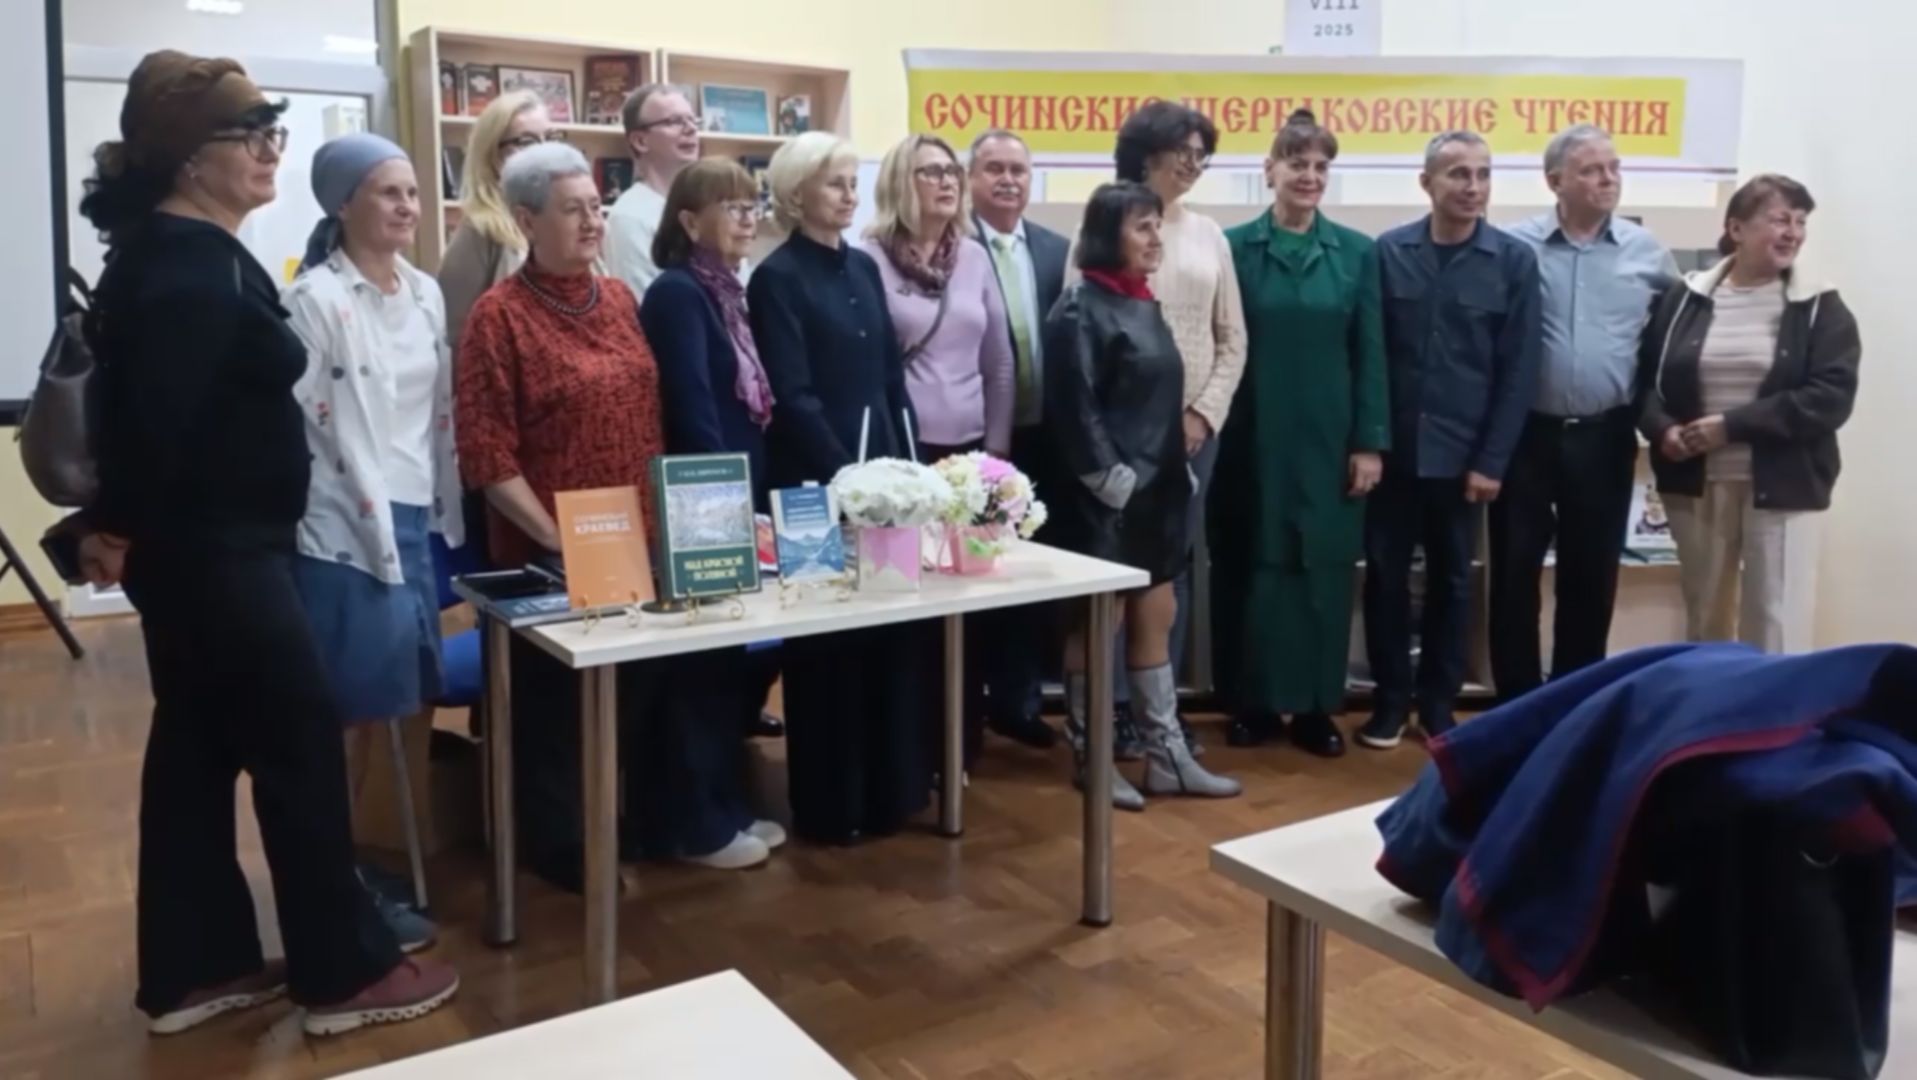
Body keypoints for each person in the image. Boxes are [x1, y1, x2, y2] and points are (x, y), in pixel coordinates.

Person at [76, 49, 457, 1037]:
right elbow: (155, 428)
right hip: (218, 555)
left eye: (271, 131)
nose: (267, 149)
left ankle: (195, 971)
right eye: (245, 134)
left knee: (196, 752)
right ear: (185, 156)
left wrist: (120, 528)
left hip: (207, 551)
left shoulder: (184, 251)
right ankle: (341, 976)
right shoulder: (187, 268)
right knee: (298, 748)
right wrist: (109, 529)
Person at [456, 142, 778, 879]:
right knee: (559, 709)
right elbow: (486, 455)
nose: (591, 222)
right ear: (526, 220)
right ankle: (560, 848)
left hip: (641, 538)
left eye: (596, 208)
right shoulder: (497, 318)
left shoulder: (620, 300)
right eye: (571, 210)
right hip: (551, 553)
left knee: (640, 692)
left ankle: (633, 822)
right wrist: (556, 540)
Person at [282, 133, 465, 954]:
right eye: (388, 192)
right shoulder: (314, 298)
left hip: (417, 513)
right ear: (342, 202)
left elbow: (435, 413)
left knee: (402, 696)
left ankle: (381, 854)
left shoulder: (424, 292)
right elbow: (298, 427)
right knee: (351, 707)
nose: (407, 207)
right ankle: (339, 872)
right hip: (344, 525)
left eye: (413, 192)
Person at [748, 132, 928, 844]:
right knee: (826, 651)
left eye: (853, 182)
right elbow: (792, 395)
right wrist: (847, 478)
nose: (850, 195)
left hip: (883, 485)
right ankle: (831, 807)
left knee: (891, 635)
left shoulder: (862, 266)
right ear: (797, 194)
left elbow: (890, 376)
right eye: (834, 184)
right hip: (811, 490)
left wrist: (907, 467)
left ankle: (892, 793)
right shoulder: (777, 277)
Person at [1047, 181, 1242, 810]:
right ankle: (1094, 758)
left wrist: (1174, 474)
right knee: (1098, 623)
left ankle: (1166, 758)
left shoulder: (1144, 302)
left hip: (1159, 494)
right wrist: (1113, 480)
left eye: (1158, 226)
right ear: (1110, 236)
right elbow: (1075, 408)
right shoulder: (1079, 308)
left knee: (1158, 614)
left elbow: (1156, 404)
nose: (1157, 238)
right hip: (1105, 501)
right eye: (1143, 228)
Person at [1211, 110, 1388, 758]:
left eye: (1319, 166)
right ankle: (1251, 703)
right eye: (1296, 164)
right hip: (1249, 440)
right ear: (1269, 171)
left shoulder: (1357, 253)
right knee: (1251, 565)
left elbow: (1371, 352)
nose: (1309, 176)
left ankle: (1315, 707)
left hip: (1328, 444)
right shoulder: (1231, 248)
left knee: (1323, 573)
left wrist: (1369, 441)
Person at [1076, 102, 1248, 758]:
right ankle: (1110, 714)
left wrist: (1202, 414)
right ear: (1147, 152)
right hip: (1121, 443)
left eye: (1203, 154)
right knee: (1114, 576)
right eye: (1184, 150)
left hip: (1194, 436)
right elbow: (1080, 338)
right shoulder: (1106, 220)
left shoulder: (1208, 234)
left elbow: (1232, 338)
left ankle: (1161, 720)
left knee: (1169, 573)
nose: (1194, 163)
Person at [1360, 131, 1542, 751]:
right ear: (1427, 183)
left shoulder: (1513, 262)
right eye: (1459, 174)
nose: (1473, 187)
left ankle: (1438, 705)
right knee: (1385, 578)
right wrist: (1370, 441)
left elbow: (1518, 371)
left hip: (1466, 460)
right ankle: (1389, 703)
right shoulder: (1389, 253)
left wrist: (1492, 460)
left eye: (1483, 174)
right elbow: (1371, 355)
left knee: (1453, 583)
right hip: (1395, 455)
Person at [1638, 174, 1860, 653]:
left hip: (1784, 487)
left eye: (1800, 222)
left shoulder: (1820, 306)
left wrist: (1731, 427)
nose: (1792, 233)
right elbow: (1647, 384)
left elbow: (1830, 397)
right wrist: (1663, 430)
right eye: (1780, 220)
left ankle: (1776, 706)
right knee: (1706, 619)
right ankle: (1712, 703)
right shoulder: (1685, 298)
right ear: (1736, 229)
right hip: (1696, 485)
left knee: (1775, 621)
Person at [1494, 125, 1679, 700]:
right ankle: (1517, 700)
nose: (1608, 180)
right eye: (1592, 170)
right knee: (1514, 570)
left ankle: (1574, 698)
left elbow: (1677, 340)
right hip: (1525, 435)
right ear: (1556, 181)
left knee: (1592, 573)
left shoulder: (1648, 253)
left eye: (1614, 168)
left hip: (1605, 435)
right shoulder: (1513, 247)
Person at [967, 128, 1070, 752]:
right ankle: (966, 710)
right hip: (977, 440)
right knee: (975, 576)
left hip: (1045, 439)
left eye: (1019, 170)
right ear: (971, 178)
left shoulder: (1058, 250)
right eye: (994, 168)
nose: (1008, 180)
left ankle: (1019, 701)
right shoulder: (955, 246)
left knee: (1032, 580)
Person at [862, 134, 1013, 461]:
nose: (947, 182)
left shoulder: (975, 256)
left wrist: (997, 447)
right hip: (900, 442)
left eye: (952, 171)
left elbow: (999, 362)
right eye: (932, 172)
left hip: (972, 446)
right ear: (901, 183)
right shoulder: (868, 260)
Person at [438, 90, 559, 351]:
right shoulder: (480, 229)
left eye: (550, 138)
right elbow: (455, 332)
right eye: (527, 141)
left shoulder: (563, 218)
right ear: (493, 154)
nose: (544, 151)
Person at [606, 83, 703, 296]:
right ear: (640, 141)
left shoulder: (705, 206)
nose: (691, 129)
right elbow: (643, 302)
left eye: (693, 120)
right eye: (674, 121)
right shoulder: (630, 217)